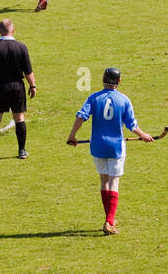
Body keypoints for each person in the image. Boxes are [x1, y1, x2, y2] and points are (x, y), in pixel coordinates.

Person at [66, 68, 160, 235]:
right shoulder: (124, 99)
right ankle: (109, 221)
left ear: (103, 80)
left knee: (104, 181)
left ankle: (109, 219)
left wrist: (72, 135)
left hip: (97, 146)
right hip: (116, 146)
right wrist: (144, 135)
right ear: (119, 81)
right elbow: (132, 125)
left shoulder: (93, 97)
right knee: (114, 181)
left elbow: (81, 116)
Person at [0, 19, 36, 161]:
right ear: (13, 30)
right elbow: (28, 70)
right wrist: (32, 85)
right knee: (19, 118)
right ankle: (22, 150)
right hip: (17, 86)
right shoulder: (21, 47)